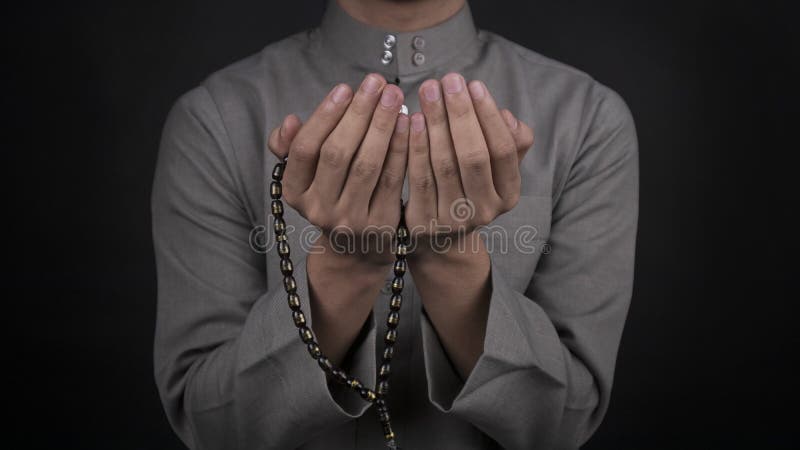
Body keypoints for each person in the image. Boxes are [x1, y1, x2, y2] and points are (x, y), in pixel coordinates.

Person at [151, 0, 639, 449]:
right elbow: (210, 423)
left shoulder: (586, 120)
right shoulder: (216, 118)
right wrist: (345, 265)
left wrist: (453, 259)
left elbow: (564, 423)